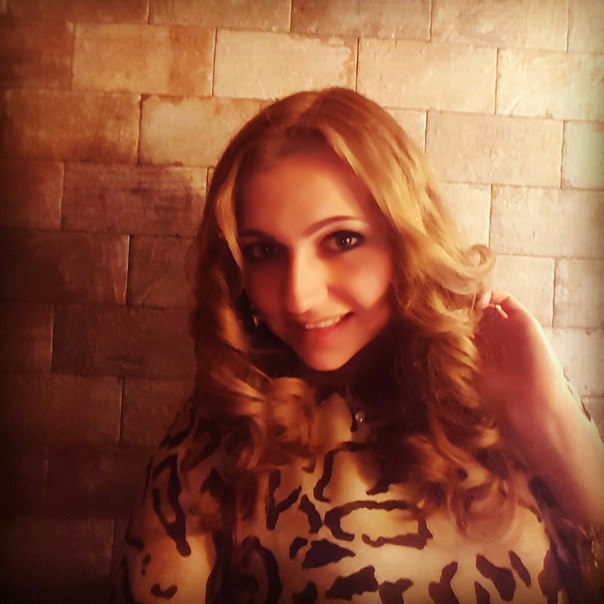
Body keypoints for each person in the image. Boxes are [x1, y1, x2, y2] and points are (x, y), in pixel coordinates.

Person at [113, 88, 603, 603]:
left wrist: (550, 415)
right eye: (264, 251)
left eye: (342, 240)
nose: (299, 296)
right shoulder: (230, 425)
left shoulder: (501, 378)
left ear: (406, 238)